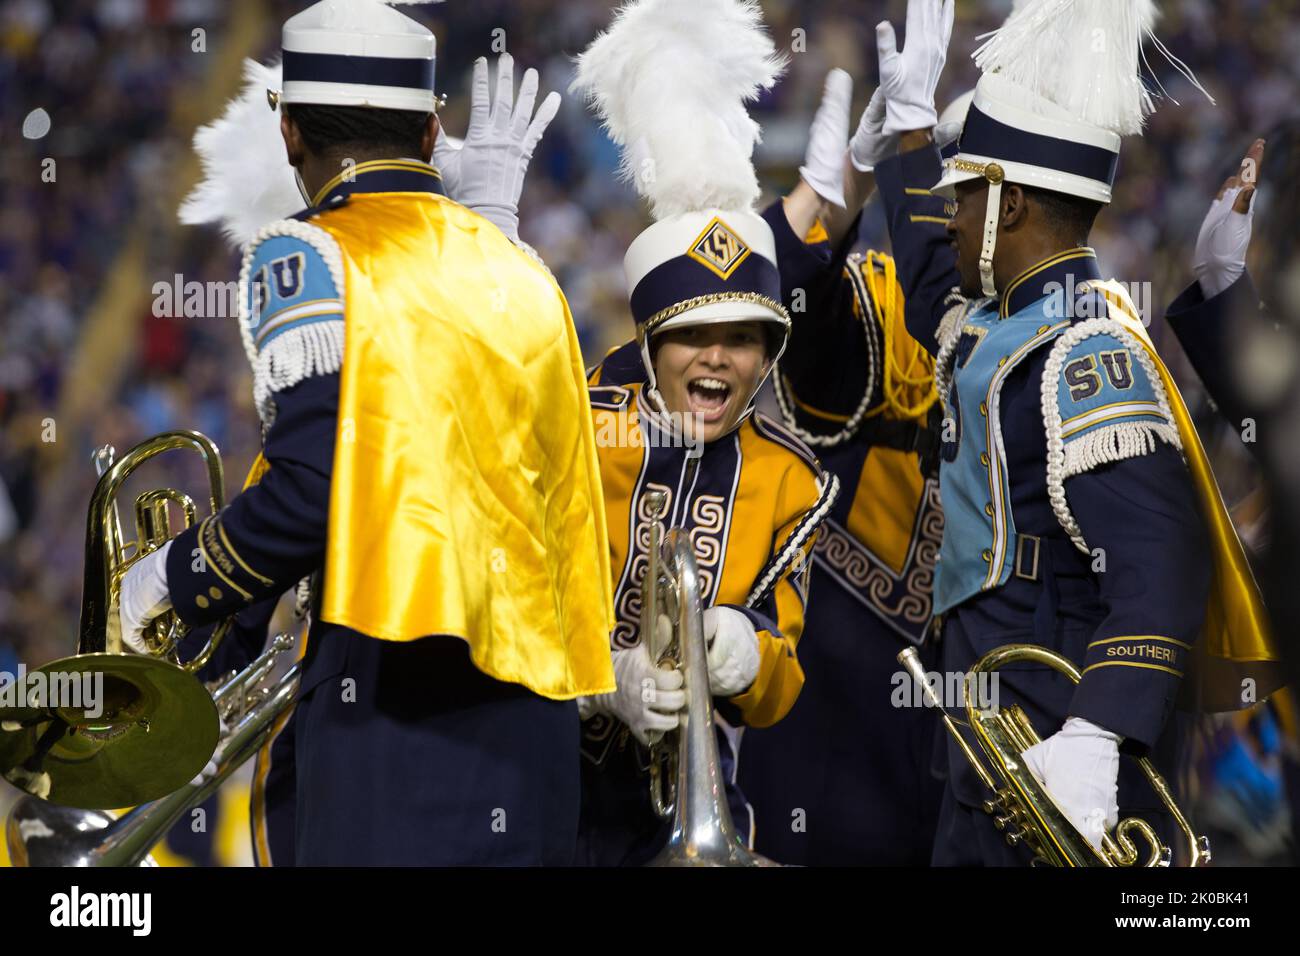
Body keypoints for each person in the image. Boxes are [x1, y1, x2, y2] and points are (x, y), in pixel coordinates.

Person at [119, 0, 615, 866]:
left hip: (391, 725)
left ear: (290, 133)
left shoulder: (303, 255)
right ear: (430, 134)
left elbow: (310, 492)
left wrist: (174, 575)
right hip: (535, 748)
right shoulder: (523, 269)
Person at [865, 0, 1280, 864]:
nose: (951, 216)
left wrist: (1097, 735)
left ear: (1011, 205)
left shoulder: (1087, 351)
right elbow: (931, 276)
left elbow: (1162, 562)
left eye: (964, 199)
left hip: (1062, 762)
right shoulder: (1011, 318)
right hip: (996, 744)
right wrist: (908, 135)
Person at [569, 0, 839, 865]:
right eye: (692, 335)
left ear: (769, 350)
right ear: (649, 343)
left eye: (744, 337)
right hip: (537, 786)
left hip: (684, 815)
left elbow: (784, 671)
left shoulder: (792, 477)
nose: (718, 358)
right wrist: (599, 682)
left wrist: (751, 655)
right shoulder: (574, 421)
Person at [734, 52, 953, 864]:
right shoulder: (880, 296)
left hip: (973, 717)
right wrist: (826, 202)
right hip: (841, 722)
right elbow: (801, 306)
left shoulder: (1055, 325)